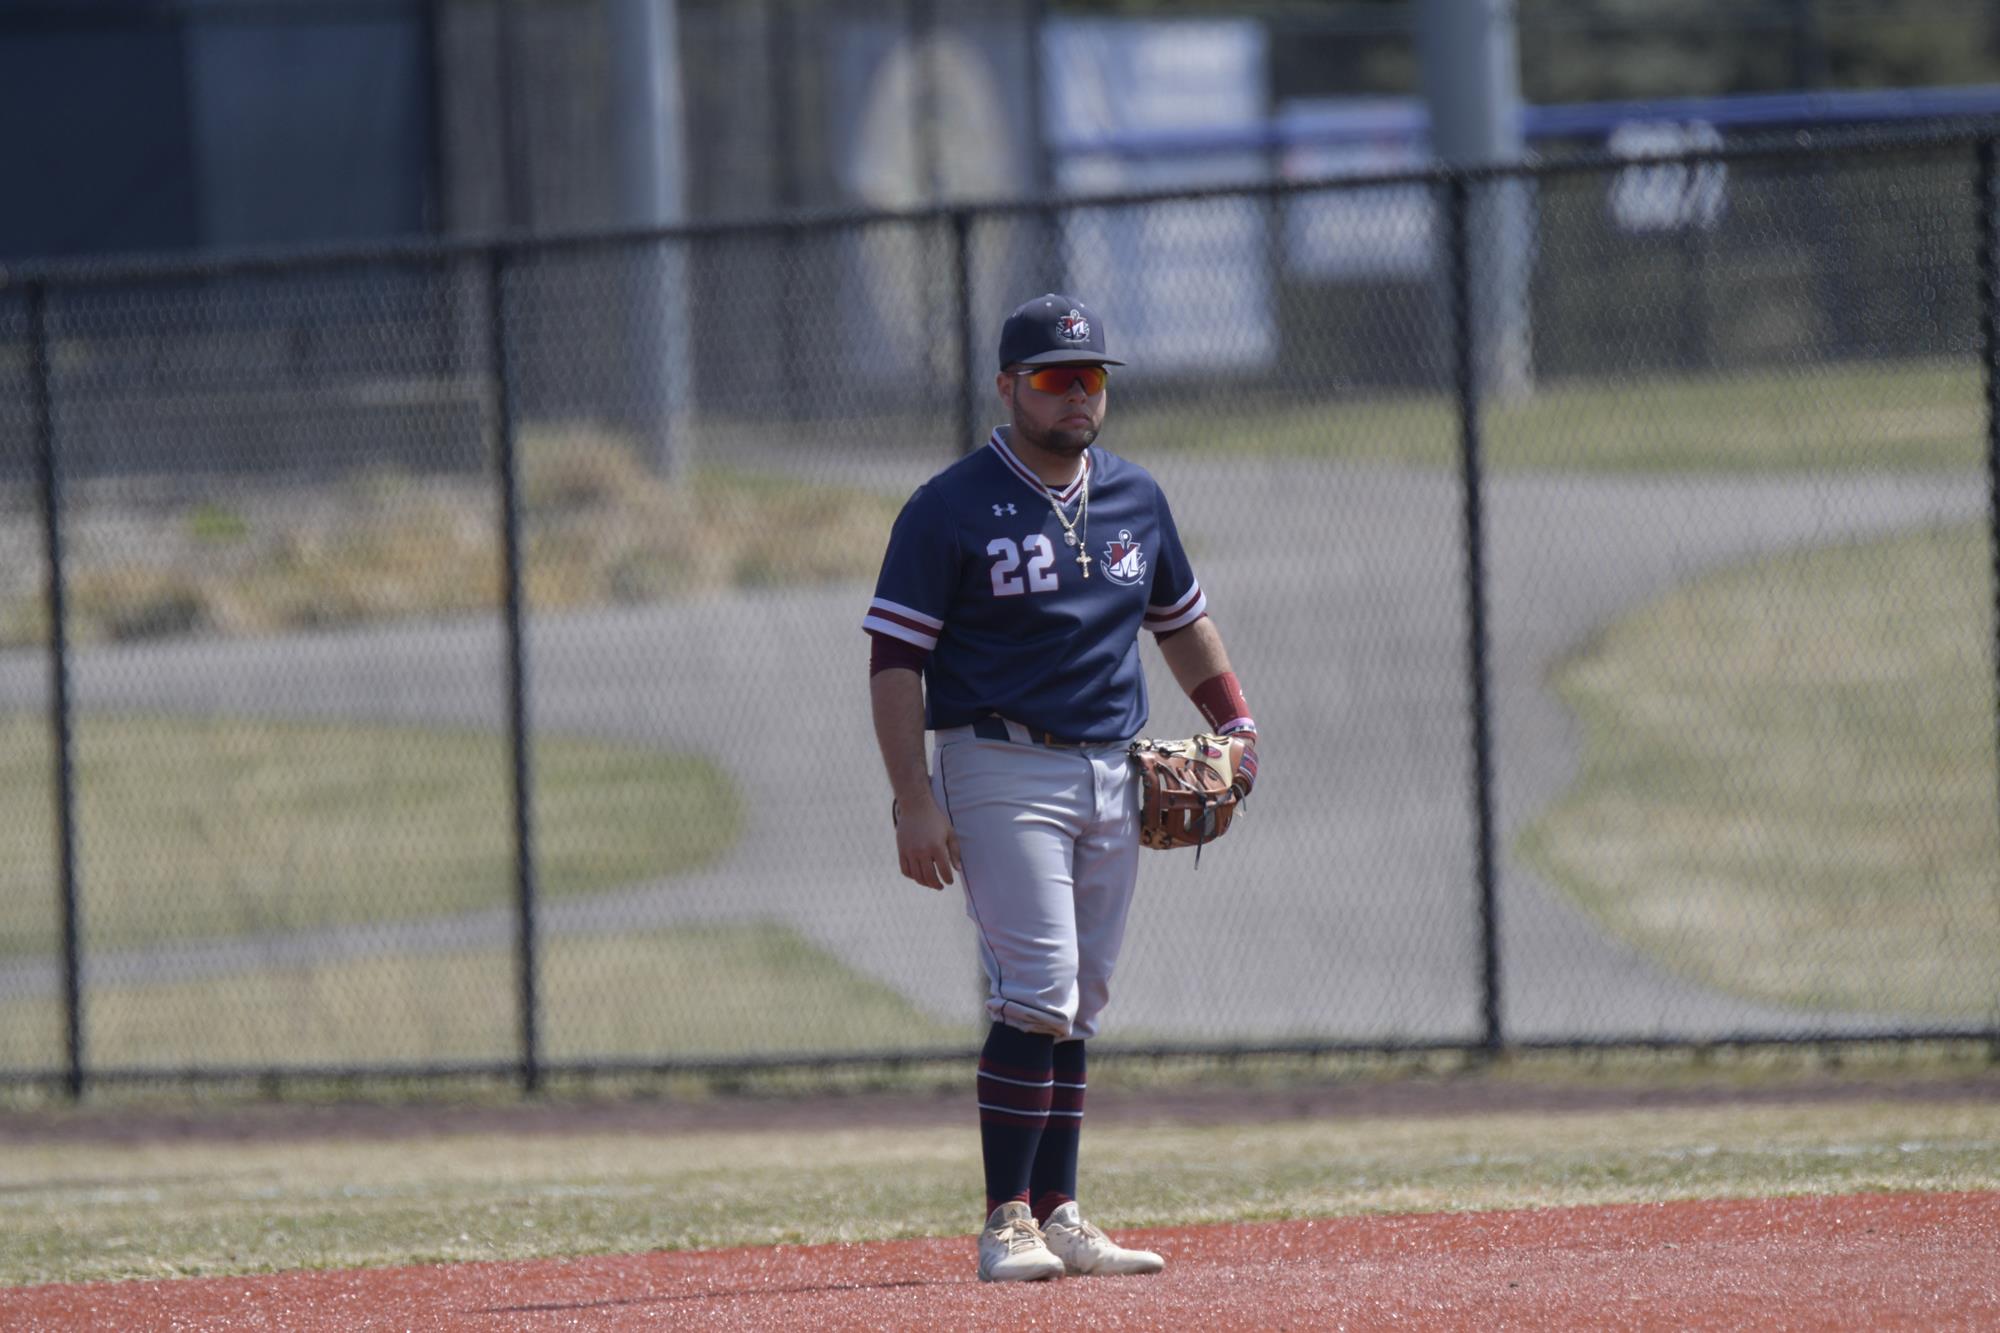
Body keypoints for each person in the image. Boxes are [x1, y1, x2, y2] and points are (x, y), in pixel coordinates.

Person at [863, 293, 1260, 1283]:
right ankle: (1005, 1221)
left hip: (1113, 767)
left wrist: (1235, 722)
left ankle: (1060, 1213)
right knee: (1035, 987)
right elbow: (893, 662)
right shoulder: (947, 506)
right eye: (1051, 376)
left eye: (1089, 376)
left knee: (1078, 999)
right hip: (998, 764)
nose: (1076, 393)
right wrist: (913, 798)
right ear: (1007, 387)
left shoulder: (1132, 496)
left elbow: (1179, 620)